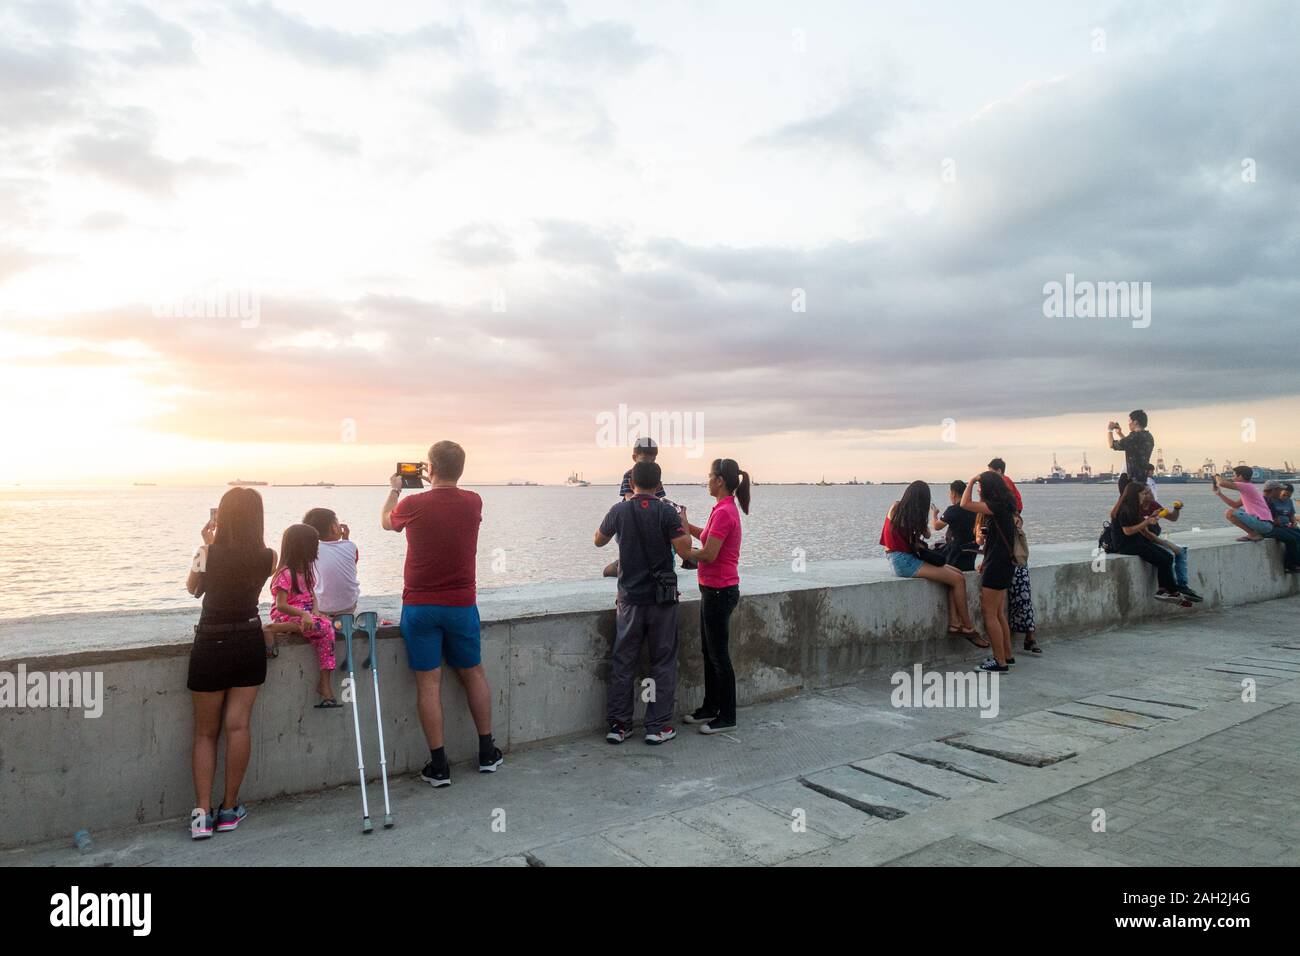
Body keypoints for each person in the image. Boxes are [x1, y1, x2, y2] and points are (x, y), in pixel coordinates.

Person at [382, 440, 502, 788]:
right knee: (474, 674)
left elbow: (387, 523)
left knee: (428, 683)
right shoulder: (473, 501)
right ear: (461, 469)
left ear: (428, 469)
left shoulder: (412, 503)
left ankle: (439, 766)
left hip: (420, 606)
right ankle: (486, 753)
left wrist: (395, 490)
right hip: (462, 605)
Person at [184, 487, 278, 840]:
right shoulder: (269, 556)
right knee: (238, 727)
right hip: (248, 640)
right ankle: (228, 809)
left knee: (205, 732)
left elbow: (193, 588)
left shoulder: (207, 552)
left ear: (222, 516)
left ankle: (201, 813)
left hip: (211, 641)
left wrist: (205, 545)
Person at [594, 459, 694, 745]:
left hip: (629, 599)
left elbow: (598, 541)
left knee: (623, 661)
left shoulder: (618, 510)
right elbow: (684, 550)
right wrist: (683, 522)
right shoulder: (667, 511)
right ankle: (657, 726)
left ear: (631, 483)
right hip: (661, 599)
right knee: (662, 662)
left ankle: (619, 725)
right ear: (660, 484)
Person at [679, 458, 749, 735]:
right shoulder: (722, 508)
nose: (706, 480)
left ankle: (727, 715)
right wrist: (685, 525)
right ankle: (710, 708)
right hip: (713, 589)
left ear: (719, 480)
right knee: (709, 652)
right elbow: (708, 538)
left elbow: (708, 554)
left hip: (720, 591)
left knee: (719, 655)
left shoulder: (724, 512)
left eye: (709, 476)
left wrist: (684, 552)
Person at [882, 480, 981, 645]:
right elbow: (926, 534)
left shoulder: (898, 508)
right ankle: (968, 627)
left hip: (902, 558)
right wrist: (923, 517)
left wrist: (921, 518)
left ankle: (955, 624)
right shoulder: (903, 511)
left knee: (956, 574)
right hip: (903, 560)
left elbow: (925, 534)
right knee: (958, 579)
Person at [270, 524, 340, 708]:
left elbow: (312, 594)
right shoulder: (285, 574)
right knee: (323, 627)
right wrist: (303, 614)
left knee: (330, 625)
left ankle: (324, 682)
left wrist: (316, 610)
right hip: (286, 615)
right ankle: (273, 628)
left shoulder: (307, 569)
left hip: (306, 613)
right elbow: (281, 605)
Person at [960, 473, 1018, 670]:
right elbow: (997, 542)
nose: (978, 489)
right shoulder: (1005, 507)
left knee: (989, 613)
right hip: (1003, 563)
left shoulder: (996, 506)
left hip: (997, 566)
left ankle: (999, 662)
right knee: (999, 613)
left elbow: (964, 504)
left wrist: (970, 480)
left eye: (980, 486)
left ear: (988, 488)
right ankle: (1007, 655)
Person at [988, 458, 1038, 655]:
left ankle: (1006, 654)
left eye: (991, 472)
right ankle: (1029, 636)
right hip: (1015, 555)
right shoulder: (1006, 488)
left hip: (1008, 557)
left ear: (999, 472)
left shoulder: (1003, 483)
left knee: (1007, 602)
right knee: (1022, 595)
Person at [1109, 482, 1183, 602]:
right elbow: (1128, 531)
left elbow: (1142, 529)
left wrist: (1152, 517)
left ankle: (1165, 590)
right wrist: (1148, 521)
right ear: (1135, 495)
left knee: (1168, 557)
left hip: (1137, 541)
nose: (1146, 495)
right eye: (1143, 493)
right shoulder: (1125, 509)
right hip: (1125, 545)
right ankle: (1171, 591)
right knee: (1162, 560)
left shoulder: (1135, 507)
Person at [1138, 486, 1202, 604]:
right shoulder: (1136, 510)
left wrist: (1176, 509)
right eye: (1146, 492)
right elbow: (1147, 534)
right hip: (1147, 541)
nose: (1150, 494)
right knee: (1169, 554)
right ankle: (1170, 587)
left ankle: (1183, 586)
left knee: (1181, 551)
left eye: (1150, 491)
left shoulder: (1153, 504)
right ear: (1138, 495)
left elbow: (1172, 518)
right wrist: (1169, 545)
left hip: (1155, 537)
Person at [303, 507, 361, 623]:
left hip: (321, 609)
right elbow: (351, 564)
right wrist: (346, 540)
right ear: (334, 528)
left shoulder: (310, 550)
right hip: (348, 607)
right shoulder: (351, 546)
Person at [1214, 466, 1274, 542]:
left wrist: (1216, 476)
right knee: (1234, 510)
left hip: (1263, 524)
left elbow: (1221, 483)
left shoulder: (1246, 486)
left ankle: (1253, 535)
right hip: (1265, 524)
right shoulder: (1249, 488)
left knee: (1229, 513)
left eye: (1234, 475)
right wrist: (1219, 494)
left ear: (1240, 476)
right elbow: (1235, 505)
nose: (1233, 478)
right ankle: (1254, 534)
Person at [932, 480, 978, 572]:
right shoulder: (975, 509)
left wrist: (934, 514)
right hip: (970, 551)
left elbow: (937, 526)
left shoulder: (952, 510)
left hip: (955, 553)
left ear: (953, 494)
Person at [1107, 410, 1154, 481]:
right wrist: (1119, 433)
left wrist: (1109, 430)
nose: (1128, 424)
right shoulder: (1149, 436)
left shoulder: (1134, 436)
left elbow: (1112, 445)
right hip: (1144, 478)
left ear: (1135, 422)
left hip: (1134, 479)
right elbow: (1130, 445)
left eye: (1129, 421)